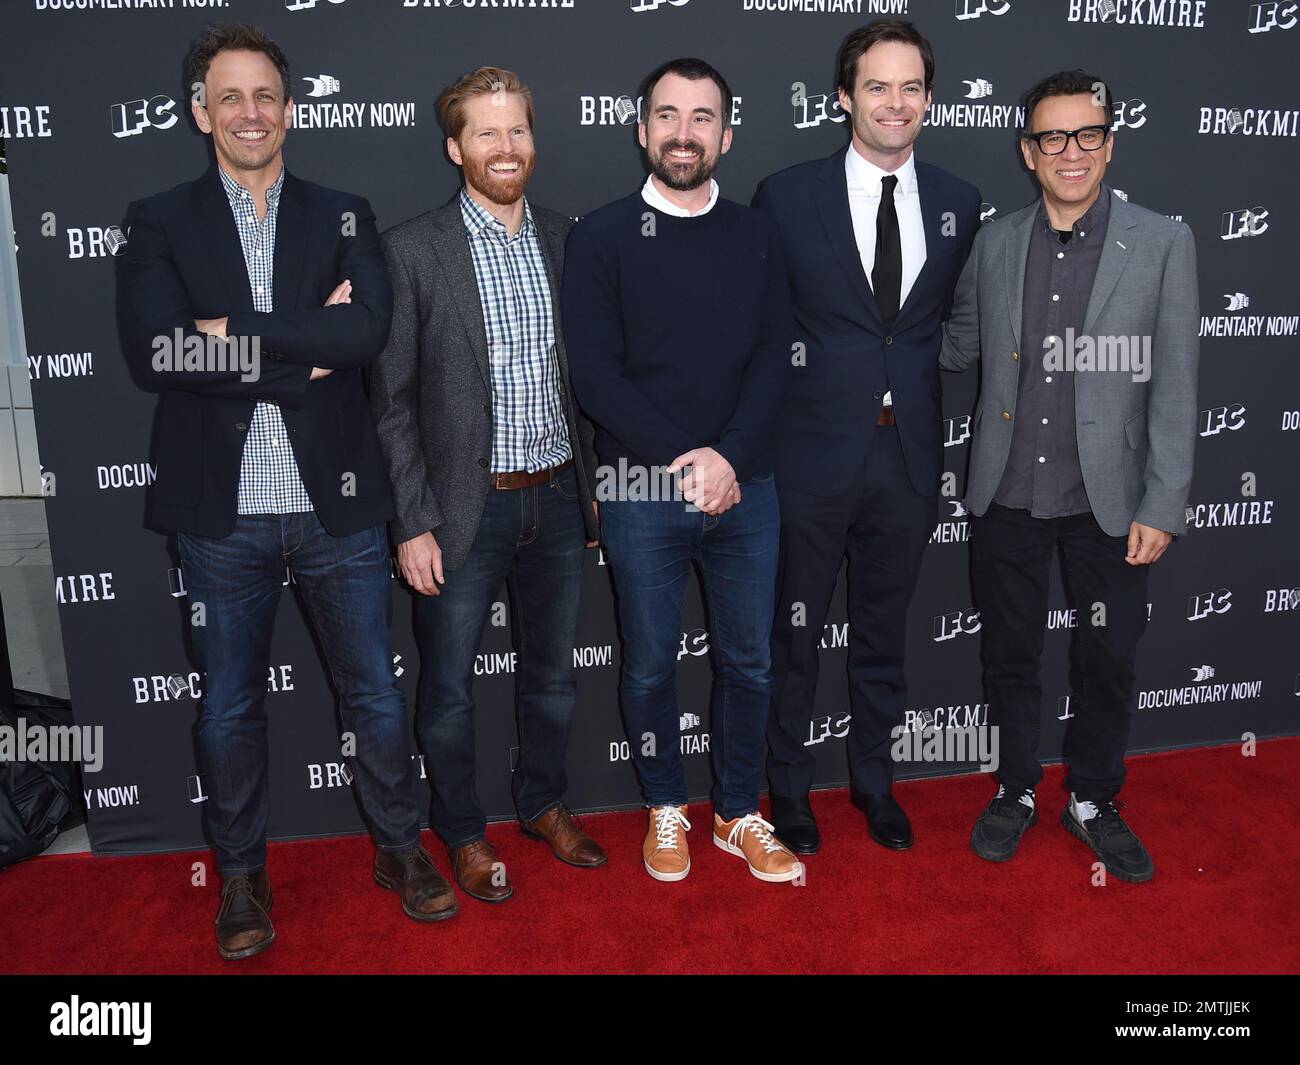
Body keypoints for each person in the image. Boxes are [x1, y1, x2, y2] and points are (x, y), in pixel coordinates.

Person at [117, 23, 455, 961]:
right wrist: (301, 345)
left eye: (264, 95)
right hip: (220, 519)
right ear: (200, 114)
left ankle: (400, 849)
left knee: (376, 702)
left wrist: (242, 332)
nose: (249, 112)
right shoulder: (160, 218)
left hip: (335, 510)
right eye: (229, 97)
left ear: (291, 109)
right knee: (228, 709)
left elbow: (367, 338)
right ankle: (240, 874)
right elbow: (161, 351)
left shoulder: (345, 213)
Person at [940, 69, 1199, 882]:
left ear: (1110, 142)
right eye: (1053, 137)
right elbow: (957, 347)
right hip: (1007, 493)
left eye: (1088, 134)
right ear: (1028, 151)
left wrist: (1164, 499)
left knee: (1107, 657)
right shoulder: (997, 241)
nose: (1071, 151)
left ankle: (1093, 797)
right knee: (1011, 657)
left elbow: (1177, 383)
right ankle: (1016, 788)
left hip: (1109, 501)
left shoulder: (1162, 242)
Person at [370, 67, 606, 905]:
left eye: (518, 132)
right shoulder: (410, 251)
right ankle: (463, 832)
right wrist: (412, 520)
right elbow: (390, 403)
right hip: (461, 510)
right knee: (448, 688)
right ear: (455, 147)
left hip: (553, 494)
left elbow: (589, 379)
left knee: (551, 676)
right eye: (487, 133)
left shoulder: (568, 237)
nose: (506, 149)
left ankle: (542, 801)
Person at [562, 58, 801, 884]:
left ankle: (737, 812)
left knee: (749, 662)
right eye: (668, 115)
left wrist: (728, 457)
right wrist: (685, 461)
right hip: (640, 491)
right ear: (641, 130)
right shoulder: (599, 236)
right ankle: (666, 805)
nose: (684, 133)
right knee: (649, 662)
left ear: (727, 135)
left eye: (703, 118)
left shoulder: (757, 234)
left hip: (749, 484)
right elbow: (595, 375)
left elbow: (776, 356)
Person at [754, 21, 980, 855]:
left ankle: (875, 782)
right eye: (877, 86)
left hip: (908, 455)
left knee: (885, 632)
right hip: (808, 454)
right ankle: (789, 789)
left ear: (929, 97)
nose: (895, 102)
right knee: (795, 635)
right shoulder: (786, 195)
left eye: (911, 86)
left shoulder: (959, 200)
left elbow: (950, 326)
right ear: (843, 97)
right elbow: (761, 324)